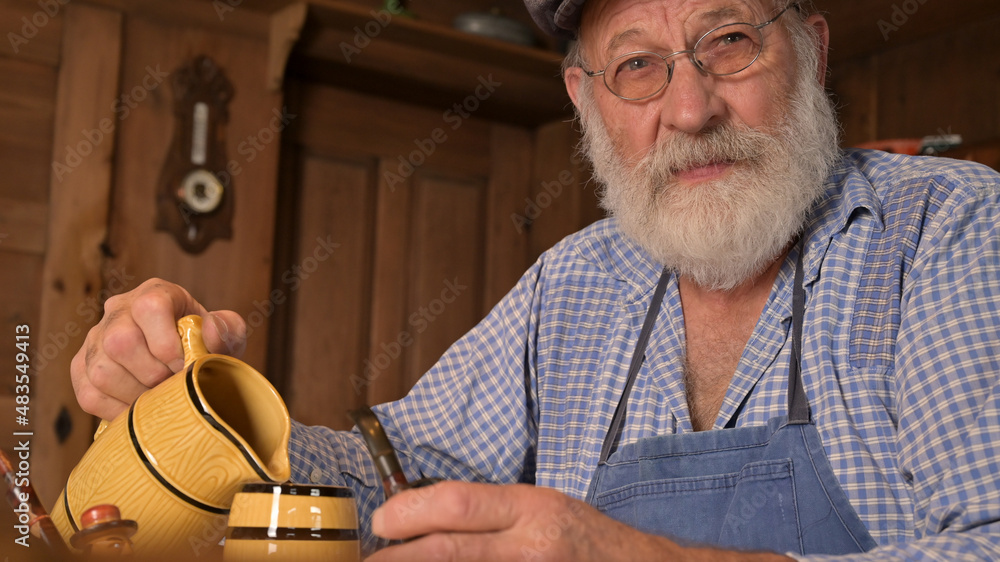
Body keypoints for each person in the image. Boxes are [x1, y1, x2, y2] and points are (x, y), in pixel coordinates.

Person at [72, 0, 1000, 559]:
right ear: (585, 98)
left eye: (728, 41)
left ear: (815, 52)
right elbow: (393, 477)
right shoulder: (575, 285)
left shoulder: (944, 229)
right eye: (638, 65)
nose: (689, 107)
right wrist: (203, 414)